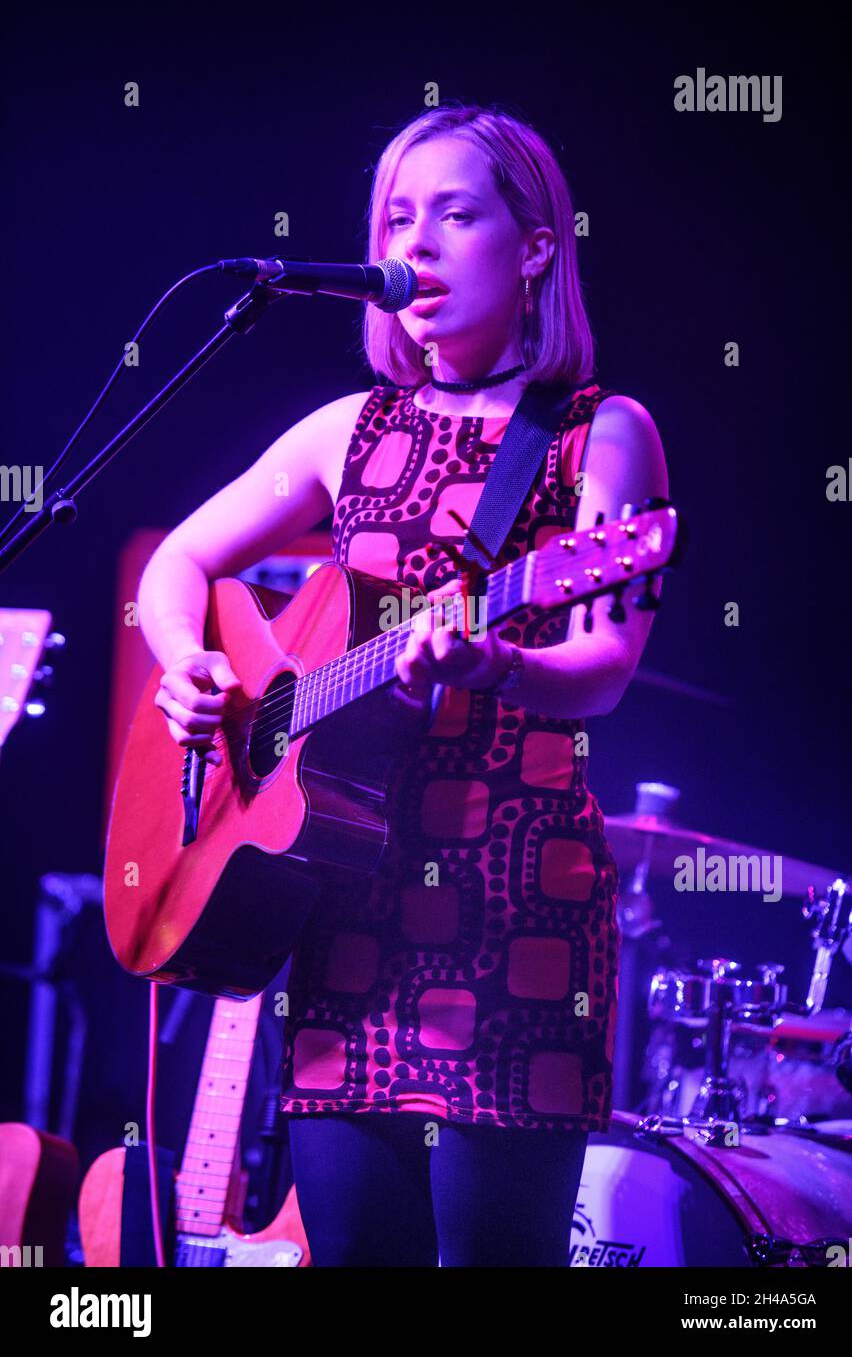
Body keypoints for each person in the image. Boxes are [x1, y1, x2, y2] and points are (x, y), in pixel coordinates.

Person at [137, 102, 669, 1267]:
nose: (414, 245)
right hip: (347, 907)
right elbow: (178, 561)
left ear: (533, 245)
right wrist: (189, 666)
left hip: (514, 910)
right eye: (395, 217)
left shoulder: (597, 435)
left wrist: (495, 658)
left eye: (452, 214)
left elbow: (600, 671)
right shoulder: (346, 429)